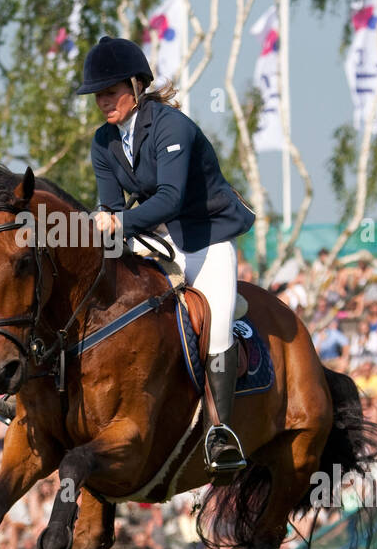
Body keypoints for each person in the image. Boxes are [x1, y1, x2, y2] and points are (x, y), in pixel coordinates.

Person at [76, 35, 255, 474]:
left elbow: (172, 198)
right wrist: (104, 224)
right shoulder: (104, 143)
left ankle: (221, 431)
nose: (103, 101)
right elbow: (111, 206)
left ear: (137, 87)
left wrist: (116, 225)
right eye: (98, 94)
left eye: (111, 91)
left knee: (215, 326)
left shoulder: (172, 127)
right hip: (154, 234)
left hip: (205, 236)